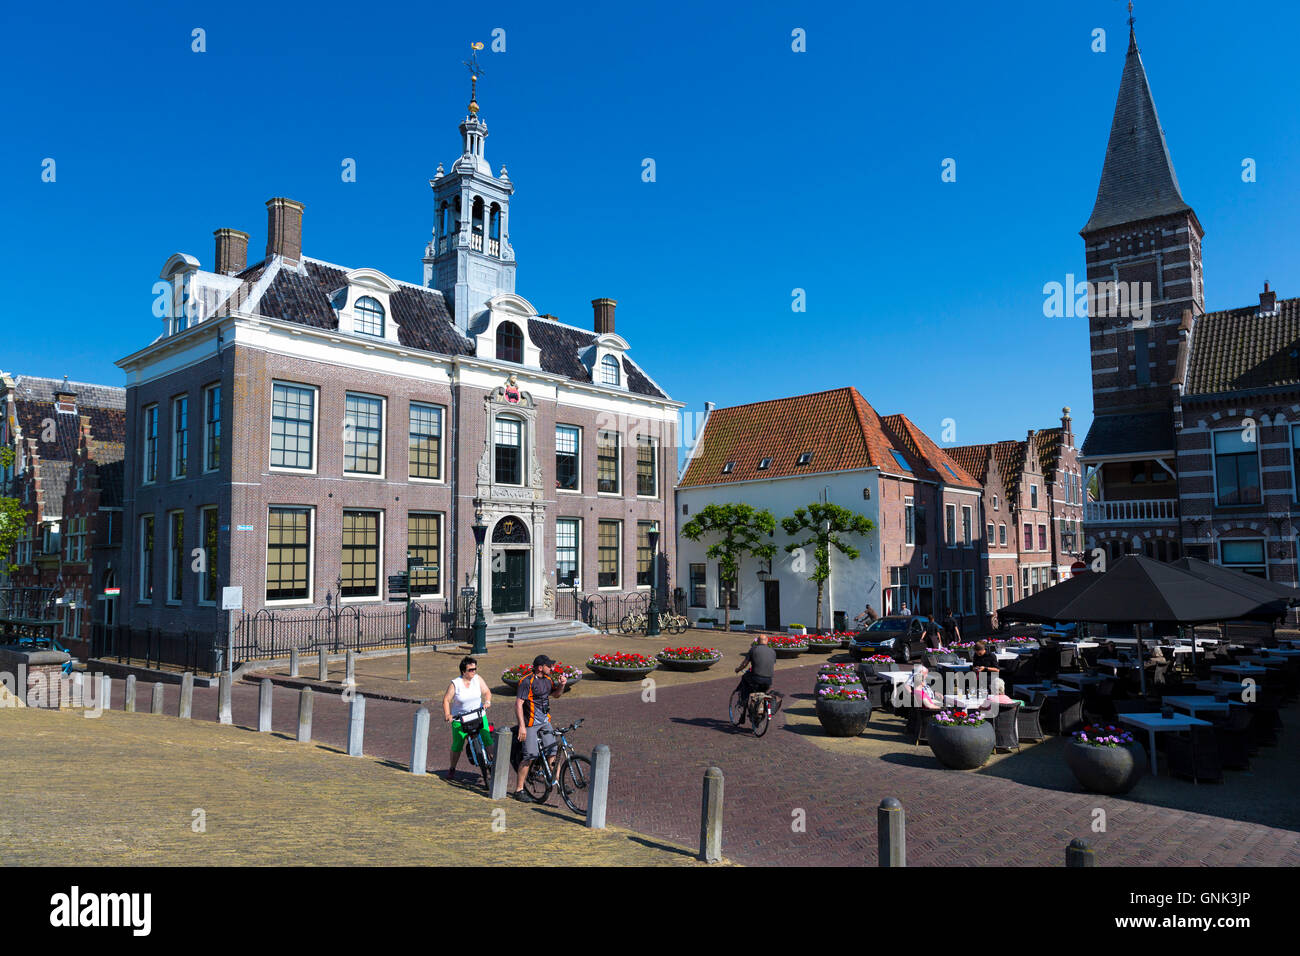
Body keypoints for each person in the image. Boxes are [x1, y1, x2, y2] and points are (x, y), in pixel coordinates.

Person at [512, 654, 567, 799]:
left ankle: (558, 783)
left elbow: (556, 695)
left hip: (544, 721)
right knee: (529, 755)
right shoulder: (526, 682)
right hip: (530, 724)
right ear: (540, 668)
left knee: (553, 752)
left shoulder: (548, 679)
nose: (552, 668)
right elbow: (518, 704)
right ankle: (519, 790)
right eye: (549, 666)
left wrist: (562, 685)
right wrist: (522, 727)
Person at [442, 656, 493, 781]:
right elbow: (446, 699)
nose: (474, 671)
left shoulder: (477, 679)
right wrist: (448, 714)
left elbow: (487, 691)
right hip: (461, 719)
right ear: (463, 671)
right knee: (457, 745)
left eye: (475, 669)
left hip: (478, 715)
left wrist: (487, 701)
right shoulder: (456, 683)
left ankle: (493, 765)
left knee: (487, 739)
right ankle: (452, 768)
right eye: (471, 670)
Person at [733, 633, 776, 723]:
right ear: (767, 641)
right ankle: (761, 711)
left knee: (745, 678)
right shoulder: (772, 651)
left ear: (757, 641)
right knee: (763, 693)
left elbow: (744, 664)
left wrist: (738, 669)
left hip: (756, 679)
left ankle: (743, 708)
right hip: (769, 681)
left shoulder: (753, 649)